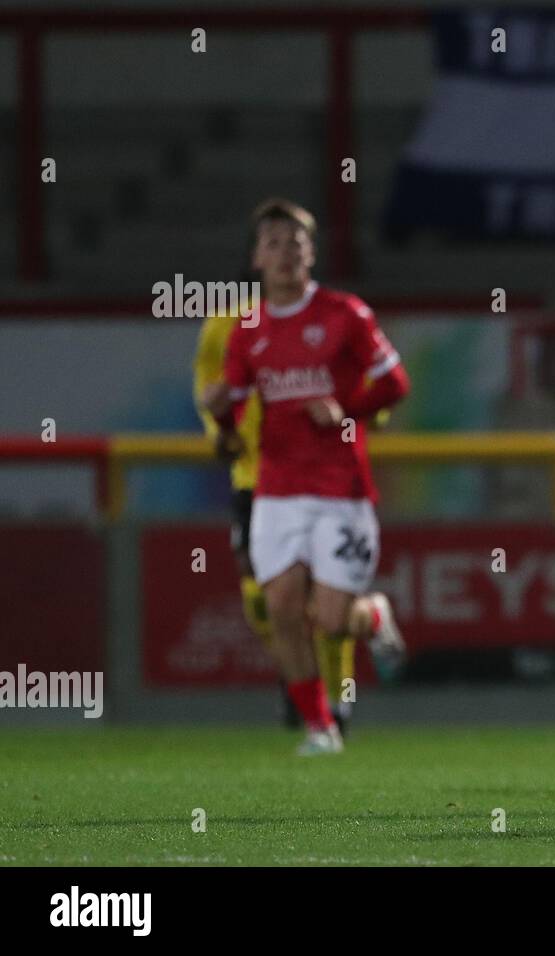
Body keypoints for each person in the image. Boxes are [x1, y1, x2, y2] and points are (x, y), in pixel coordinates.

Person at [204, 198, 410, 755]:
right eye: (274, 242)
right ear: (256, 259)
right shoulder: (246, 331)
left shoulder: (346, 314)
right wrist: (220, 412)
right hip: (275, 490)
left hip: (341, 492)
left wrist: (348, 411)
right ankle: (321, 728)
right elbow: (235, 416)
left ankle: (372, 615)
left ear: (311, 253)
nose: (286, 252)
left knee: (330, 616)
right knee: (281, 609)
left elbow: (395, 382)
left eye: (296, 242)